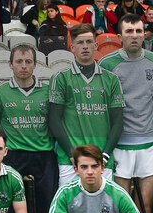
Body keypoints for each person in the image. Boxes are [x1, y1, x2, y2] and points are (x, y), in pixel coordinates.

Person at [98, 13, 153, 213]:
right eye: (129, 31)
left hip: (149, 142)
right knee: (122, 209)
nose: (134, 35)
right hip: (120, 145)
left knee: (145, 208)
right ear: (120, 36)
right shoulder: (107, 63)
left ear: (145, 33)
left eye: (138, 31)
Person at [0, 44, 57, 213]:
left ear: (36, 64)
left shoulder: (48, 92)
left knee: (46, 211)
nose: (24, 66)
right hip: (14, 158)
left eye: (28, 61)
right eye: (19, 61)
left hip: (44, 157)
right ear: (10, 64)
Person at [48, 24, 125, 185]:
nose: (85, 46)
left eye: (89, 42)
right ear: (72, 47)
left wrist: (106, 154)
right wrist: (71, 154)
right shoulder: (61, 78)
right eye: (80, 42)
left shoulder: (111, 79)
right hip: (70, 161)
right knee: (71, 208)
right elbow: (54, 120)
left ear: (96, 46)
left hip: (102, 160)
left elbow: (118, 121)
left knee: (104, 208)